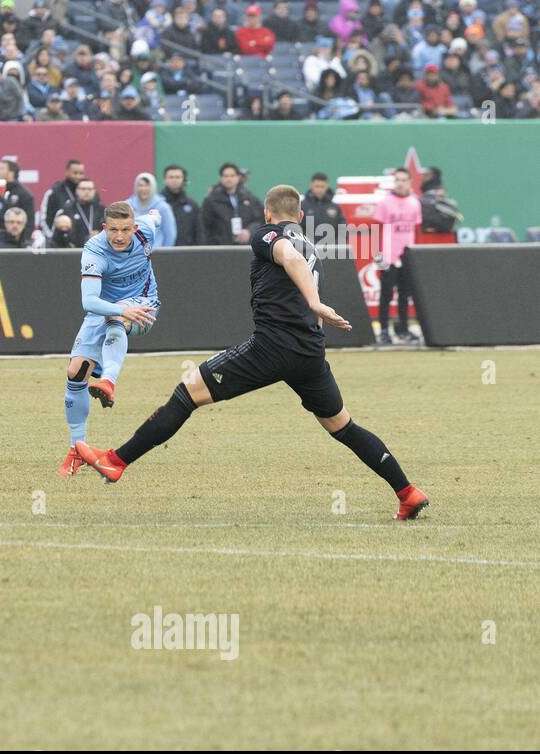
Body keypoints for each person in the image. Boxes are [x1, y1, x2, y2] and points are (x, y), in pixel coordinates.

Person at [75, 185, 429, 522]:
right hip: (309, 354)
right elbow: (299, 269)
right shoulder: (311, 246)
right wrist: (314, 319)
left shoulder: (269, 234)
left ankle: (116, 461)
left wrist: (315, 303)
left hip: (273, 345)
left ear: (267, 212)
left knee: (186, 393)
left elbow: (287, 257)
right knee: (344, 427)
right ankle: (407, 491)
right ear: (302, 215)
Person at [57, 203, 163, 477]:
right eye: (113, 230)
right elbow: (89, 301)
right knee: (76, 371)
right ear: (104, 228)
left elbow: (155, 216)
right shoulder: (94, 251)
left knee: (117, 322)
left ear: (135, 227)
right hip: (105, 307)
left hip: (143, 304)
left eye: (125, 229)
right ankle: (76, 449)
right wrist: (120, 308)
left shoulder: (146, 231)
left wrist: (154, 213)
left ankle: (109, 381)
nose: (119, 236)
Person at [372, 167, 422, 344]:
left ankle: (403, 329)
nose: (400, 183)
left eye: (403, 180)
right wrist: (377, 254)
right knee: (386, 295)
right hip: (388, 256)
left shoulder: (415, 203)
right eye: (397, 180)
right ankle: (384, 330)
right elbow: (376, 230)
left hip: (407, 256)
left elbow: (416, 230)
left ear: (409, 182)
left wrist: (414, 254)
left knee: (404, 295)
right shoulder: (385, 203)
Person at [200, 162, 263, 245]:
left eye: (232, 176)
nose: (229, 179)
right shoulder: (211, 201)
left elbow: (261, 220)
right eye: (225, 176)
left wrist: (249, 231)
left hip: (245, 248)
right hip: (220, 249)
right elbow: (204, 226)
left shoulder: (250, 199)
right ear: (221, 178)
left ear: (238, 177)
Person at [125, 172, 177, 248]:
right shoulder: (127, 206)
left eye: (147, 185)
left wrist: (164, 253)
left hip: (156, 254)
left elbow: (170, 234)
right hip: (132, 254)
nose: (143, 189)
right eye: (140, 185)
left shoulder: (163, 207)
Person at [51, 179, 105, 249]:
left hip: (97, 251)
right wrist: (62, 229)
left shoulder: (102, 209)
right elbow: (55, 237)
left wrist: (100, 234)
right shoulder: (67, 209)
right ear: (76, 191)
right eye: (83, 189)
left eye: (90, 189)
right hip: (73, 251)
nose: (87, 192)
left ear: (94, 191)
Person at [161, 165, 203, 246]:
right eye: (171, 177)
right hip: (162, 252)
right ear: (165, 180)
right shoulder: (157, 205)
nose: (174, 180)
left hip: (186, 252)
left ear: (183, 180)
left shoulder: (192, 205)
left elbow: (199, 231)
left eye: (178, 177)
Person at [300, 172, 344, 248]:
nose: (319, 189)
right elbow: (298, 228)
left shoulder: (334, 207)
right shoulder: (302, 206)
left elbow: (342, 228)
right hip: (308, 249)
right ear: (311, 185)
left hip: (331, 251)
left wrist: (336, 245)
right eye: (317, 186)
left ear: (326, 186)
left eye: (322, 186)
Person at [41, 159, 83, 236]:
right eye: (75, 173)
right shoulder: (54, 192)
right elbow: (44, 219)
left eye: (81, 173)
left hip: (82, 242)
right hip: (58, 241)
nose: (78, 176)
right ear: (67, 172)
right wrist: (51, 238)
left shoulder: (88, 192)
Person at [0, 159, 36, 242]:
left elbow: (29, 223)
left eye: (1, 168)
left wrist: (24, 242)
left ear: (11, 172)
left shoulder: (24, 194)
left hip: (18, 242)